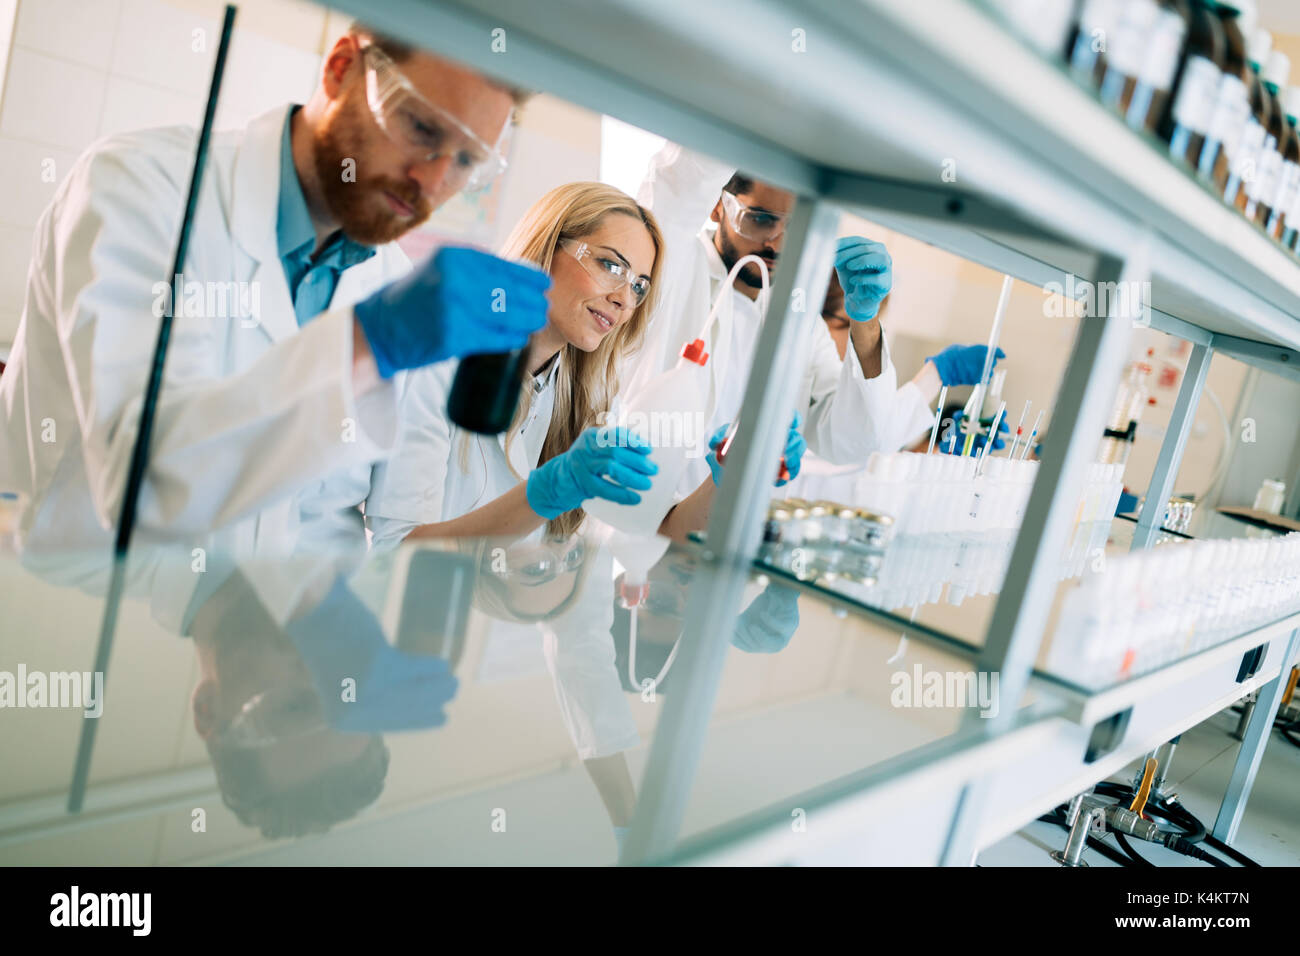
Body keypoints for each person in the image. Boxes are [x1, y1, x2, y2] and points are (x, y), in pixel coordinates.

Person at [0, 24, 549, 631]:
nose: (432, 181)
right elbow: (142, 484)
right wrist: (369, 343)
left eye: (468, 161)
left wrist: (333, 646)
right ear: (341, 66)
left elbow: (318, 511)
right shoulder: (144, 188)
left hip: (233, 648)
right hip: (57, 617)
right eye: (421, 129)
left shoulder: (385, 279)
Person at [364, 181, 668, 548]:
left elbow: (633, 531)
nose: (623, 299)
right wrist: (540, 497)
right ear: (548, 246)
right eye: (610, 265)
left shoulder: (590, 401)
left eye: (638, 286)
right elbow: (397, 547)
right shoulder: (442, 359)